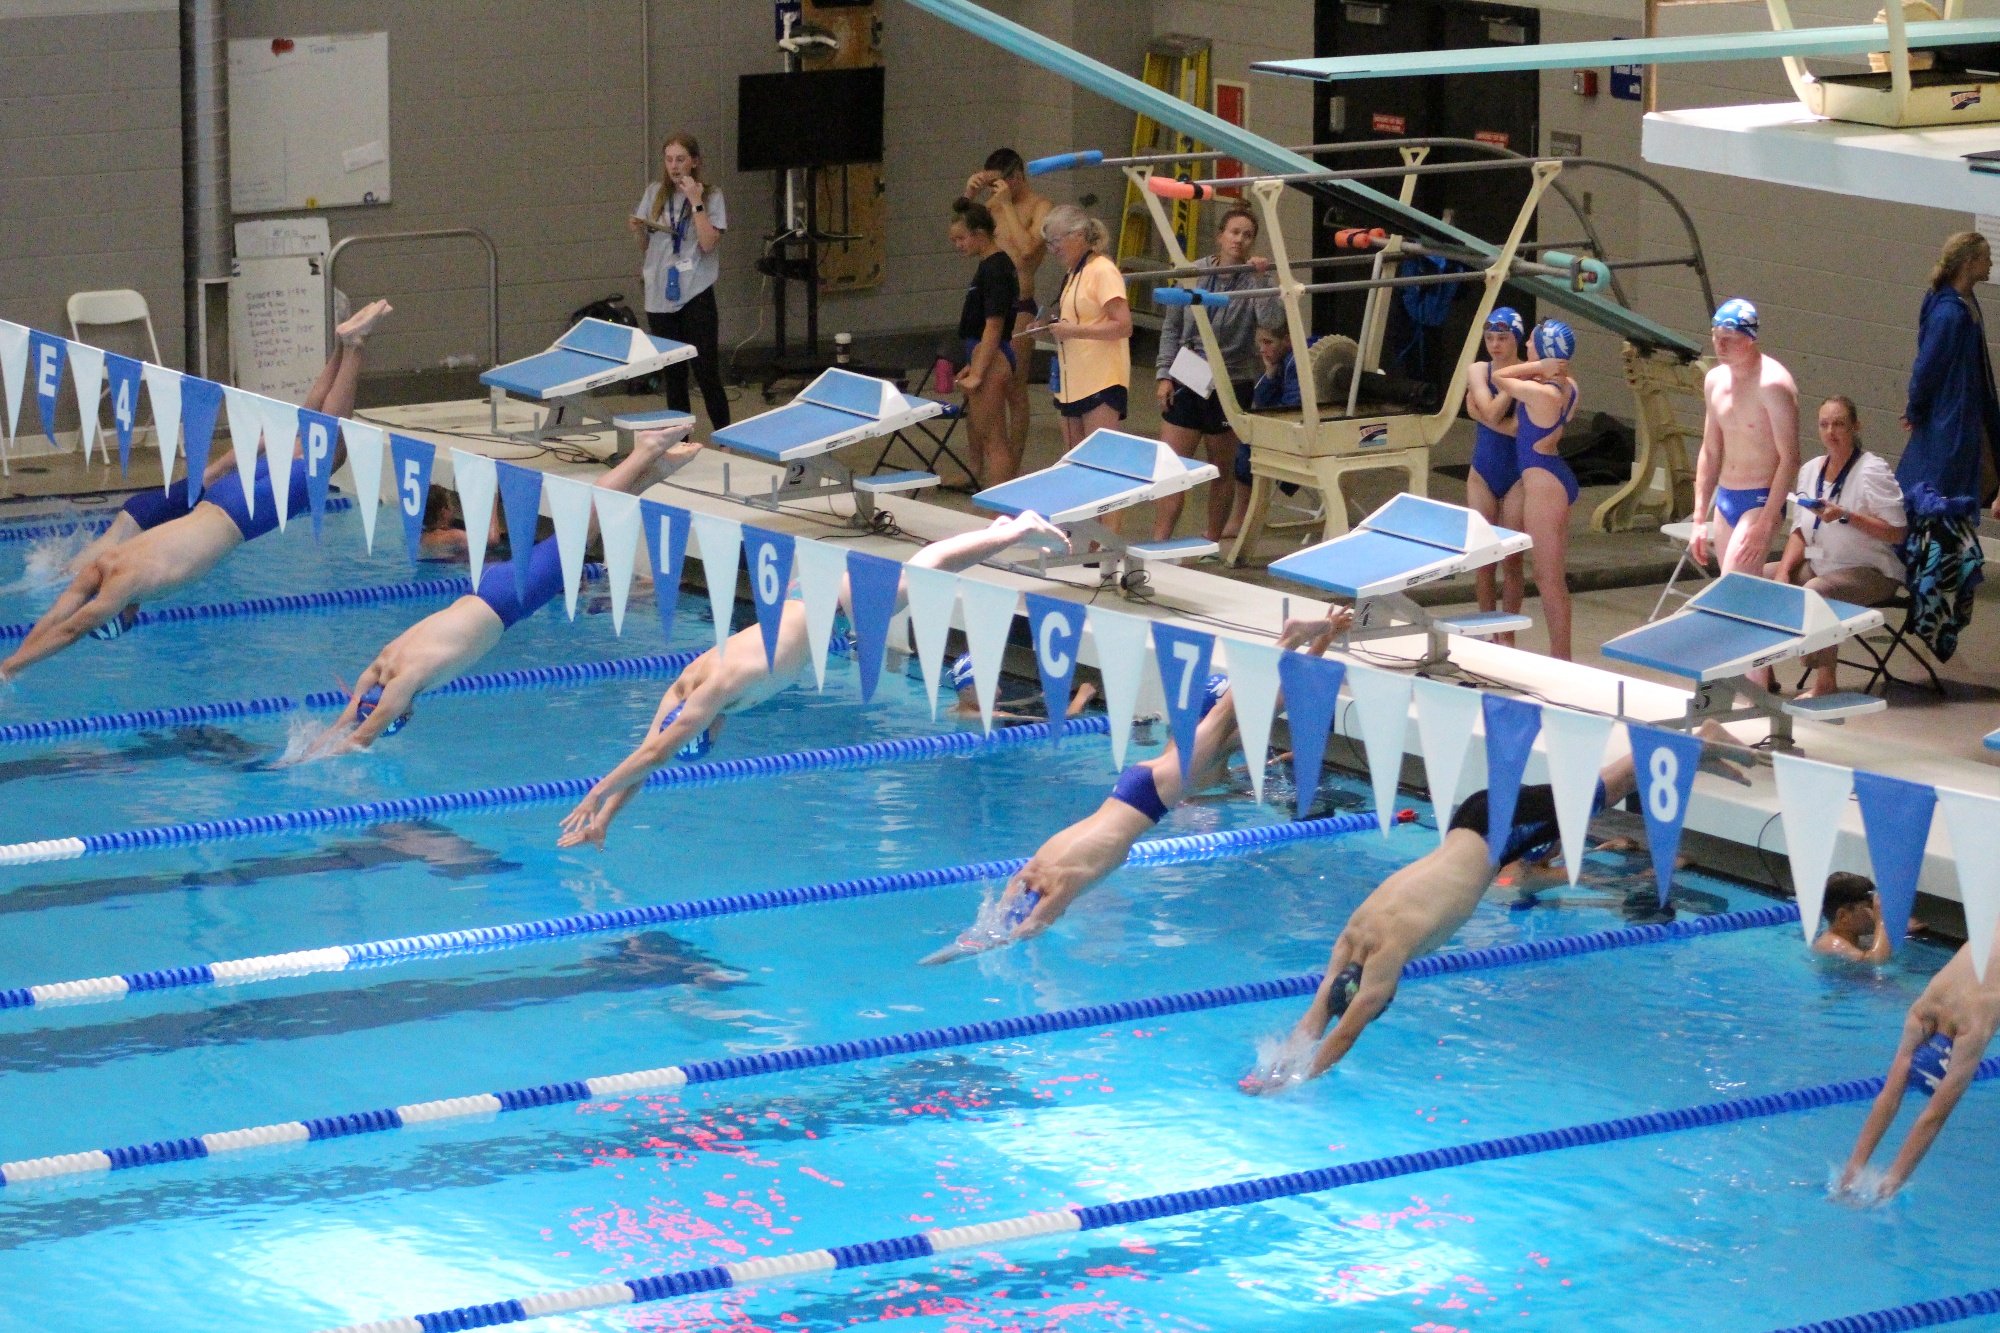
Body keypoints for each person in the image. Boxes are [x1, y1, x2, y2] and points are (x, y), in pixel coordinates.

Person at [556, 510, 1072, 850]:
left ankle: (1013, 530)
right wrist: (605, 820)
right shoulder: (683, 689)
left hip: (826, 609)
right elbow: (649, 756)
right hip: (809, 605)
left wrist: (593, 794)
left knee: (927, 567)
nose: (714, 732)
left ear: (701, 726)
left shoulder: (717, 689)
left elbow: (654, 754)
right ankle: (1000, 532)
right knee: (927, 572)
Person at [2, 302, 395, 680]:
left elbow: (70, 629)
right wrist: (8, 661)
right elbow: (55, 616)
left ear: (119, 616)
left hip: (237, 517)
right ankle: (340, 345)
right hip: (218, 497)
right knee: (303, 441)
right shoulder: (102, 564)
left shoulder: (123, 586)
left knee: (327, 454)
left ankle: (354, 346)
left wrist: (14, 668)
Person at [304, 429, 703, 755]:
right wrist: (304, 753)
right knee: (586, 528)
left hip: (508, 601)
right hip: (488, 590)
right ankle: (657, 470)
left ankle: (645, 451)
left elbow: (359, 737)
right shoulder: (382, 663)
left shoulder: (406, 680)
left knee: (583, 523)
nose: (404, 717)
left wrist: (305, 767)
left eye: (400, 718)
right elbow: (347, 719)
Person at [65, 300, 394, 573]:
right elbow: (227, 464)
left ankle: (349, 347)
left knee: (325, 451)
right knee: (323, 450)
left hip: (166, 508)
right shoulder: (203, 491)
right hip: (195, 498)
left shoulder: (146, 530)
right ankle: (348, 346)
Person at [1836, 919, 2000, 1199]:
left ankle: (1850, 1177)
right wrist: (1889, 1186)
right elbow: (1931, 1116)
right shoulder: (1969, 1024)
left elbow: (1895, 1098)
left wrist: (1865, 1179)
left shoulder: (1934, 1013)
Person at [1766, 396, 1907, 697]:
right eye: (1824, 425)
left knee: (1817, 590)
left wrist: (1846, 516)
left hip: (1871, 572)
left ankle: (1826, 682)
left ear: (1855, 426)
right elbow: (1800, 531)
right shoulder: (1810, 470)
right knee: (1756, 576)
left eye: (1839, 424)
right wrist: (1783, 571)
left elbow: (1897, 533)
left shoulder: (1871, 470)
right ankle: (1763, 671)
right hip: (1821, 563)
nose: (1831, 432)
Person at [1153, 206, 1273, 543]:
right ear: (1220, 236)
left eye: (1247, 235)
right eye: (1234, 232)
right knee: (1173, 468)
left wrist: (1262, 281)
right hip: (1187, 375)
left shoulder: (1254, 278)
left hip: (1231, 382)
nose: (1239, 240)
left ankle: (1211, 539)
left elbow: (1272, 321)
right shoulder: (1194, 272)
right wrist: (1164, 375)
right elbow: (1171, 328)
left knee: (1220, 470)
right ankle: (1159, 541)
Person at [1688, 299, 1800, 578]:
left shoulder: (1773, 384)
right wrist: (1699, 517)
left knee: (1733, 584)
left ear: (1751, 339)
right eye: (1716, 337)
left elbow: (1790, 459)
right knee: (1738, 588)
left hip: (1759, 499)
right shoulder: (1714, 380)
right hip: (1725, 496)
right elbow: (1710, 451)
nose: (1720, 346)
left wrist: (1766, 522)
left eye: (1729, 339)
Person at [1493, 320, 1584, 661]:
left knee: (1549, 580)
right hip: (1538, 477)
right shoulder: (1568, 386)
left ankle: (1562, 660)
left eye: (1532, 342)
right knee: (1511, 559)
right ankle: (1504, 639)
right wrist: (1543, 369)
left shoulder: (1544, 393)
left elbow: (1500, 376)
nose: (1526, 346)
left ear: (1546, 350)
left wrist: (1538, 367)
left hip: (1545, 485)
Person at [630, 132, 730, 429]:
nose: (674, 166)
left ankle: (725, 440)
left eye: (680, 159)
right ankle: (680, 440)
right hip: (661, 294)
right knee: (673, 375)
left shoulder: (711, 195)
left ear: (694, 162)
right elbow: (646, 247)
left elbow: (708, 243)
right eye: (669, 159)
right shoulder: (654, 193)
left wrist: (695, 201)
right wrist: (637, 230)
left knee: (706, 371)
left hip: (695, 292)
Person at [1898, 231, 2000, 516]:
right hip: (1950, 418)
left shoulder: (1966, 302)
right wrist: (1915, 409)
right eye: (1986, 257)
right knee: (1940, 489)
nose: (1991, 263)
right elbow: (1926, 369)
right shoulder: (1949, 315)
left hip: (1966, 411)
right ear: (1969, 262)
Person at [965, 149, 1052, 464]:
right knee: (976, 385)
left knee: (1014, 388)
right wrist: (969, 196)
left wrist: (1006, 207)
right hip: (987, 306)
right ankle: (975, 466)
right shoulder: (991, 206)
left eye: (997, 183)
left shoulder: (1041, 207)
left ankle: (1011, 464)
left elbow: (1027, 250)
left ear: (1016, 177)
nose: (994, 191)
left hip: (1019, 306)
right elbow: (963, 236)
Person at [1043, 204, 1131, 454]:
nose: (1054, 250)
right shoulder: (1074, 272)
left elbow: (1123, 326)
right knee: (1075, 459)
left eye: (1057, 241)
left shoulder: (1103, 270)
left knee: (1098, 459)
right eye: (1049, 243)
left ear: (1079, 235)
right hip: (1073, 380)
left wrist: (1074, 331)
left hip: (1100, 380)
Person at [1465, 308, 1528, 642]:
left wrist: (1481, 413)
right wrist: (1513, 385)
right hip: (1482, 473)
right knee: (1484, 560)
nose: (1495, 344)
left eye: (1502, 338)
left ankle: (1508, 637)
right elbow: (1494, 414)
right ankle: (1488, 634)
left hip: (1518, 476)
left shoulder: (1531, 375)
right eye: (1490, 338)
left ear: (1516, 339)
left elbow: (1519, 429)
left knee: (1513, 559)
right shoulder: (1478, 369)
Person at [949, 198, 1021, 487]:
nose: (958, 246)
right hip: (983, 354)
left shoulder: (996, 269)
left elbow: (994, 326)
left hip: (991, 357)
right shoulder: (990, 265)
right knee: (987, 434)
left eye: (961, 238)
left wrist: (978, 372)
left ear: (980, 234)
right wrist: (973, 365)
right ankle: (995, 498)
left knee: (994, 440)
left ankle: (1000, 505)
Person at [942, 651, 1097, 724]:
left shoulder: (952, 710)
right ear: (967, 688)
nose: (999, 691)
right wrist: (1081, 697)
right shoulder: (994, 716)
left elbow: (1003, 705)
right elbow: (1056, 723)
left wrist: (1037, 698)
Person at [1812, 872, 1893, 962]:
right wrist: (1881, 921)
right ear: (1843, 916)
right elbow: (1876, 961)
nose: (1875, 911)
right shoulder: (1832, 944)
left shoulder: (1856, 940)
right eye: (1870, 906)